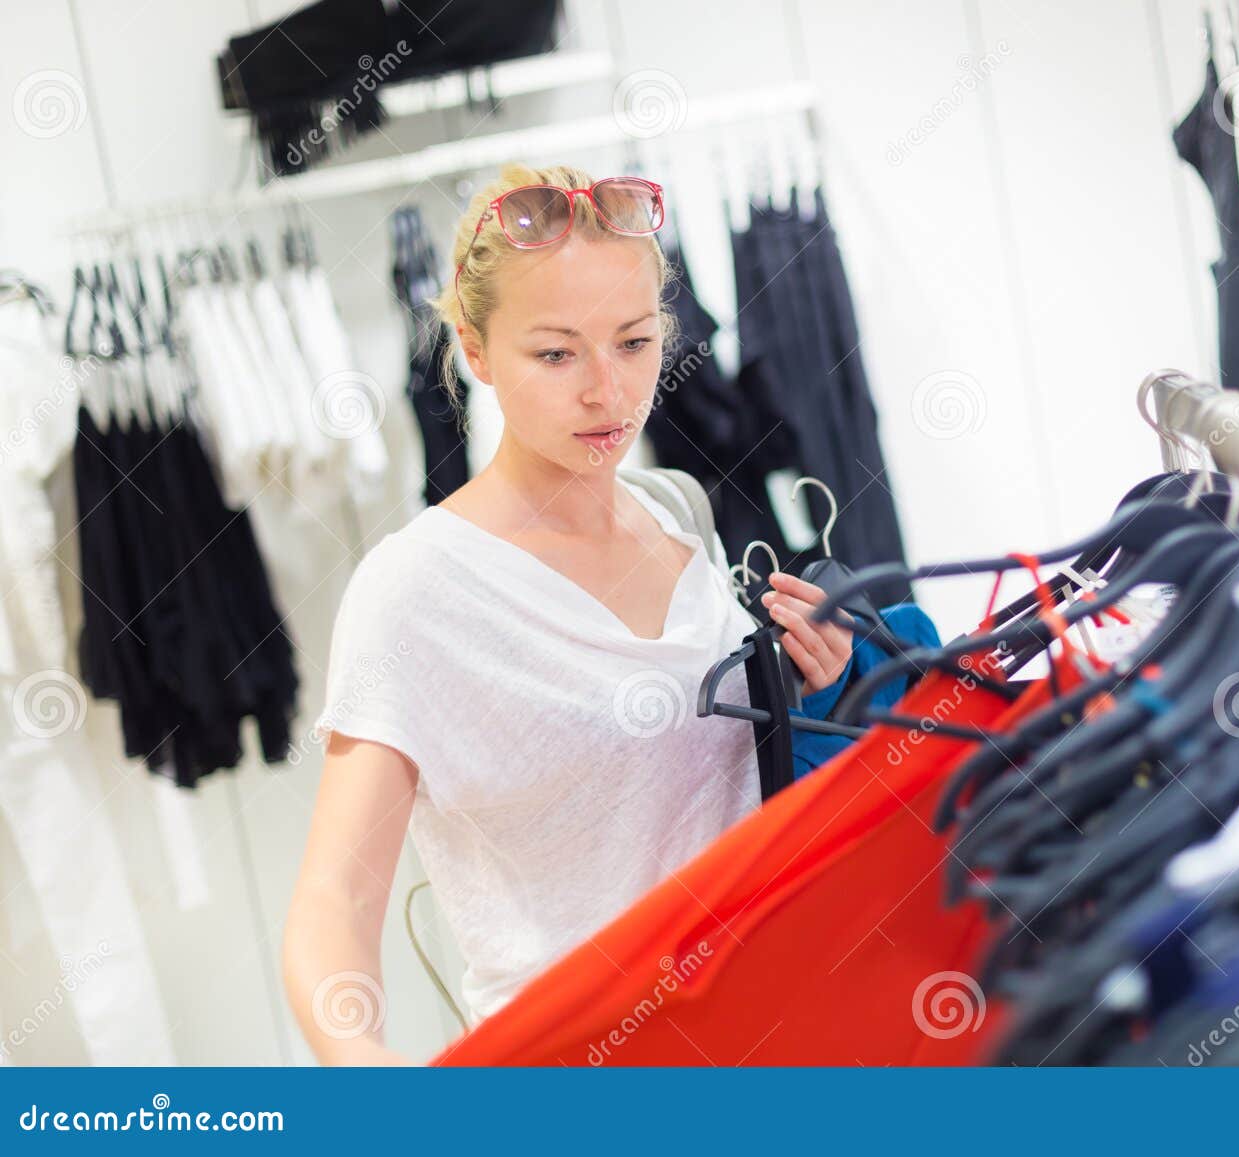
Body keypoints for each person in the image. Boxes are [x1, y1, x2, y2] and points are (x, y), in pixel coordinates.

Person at [282, 163, 855, 1065]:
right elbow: (334, 903)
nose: (608, 391)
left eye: (632, 342)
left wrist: (819, 677)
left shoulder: (680, 514)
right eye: (556, 353)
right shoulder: (417, 591)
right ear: (474, 350)